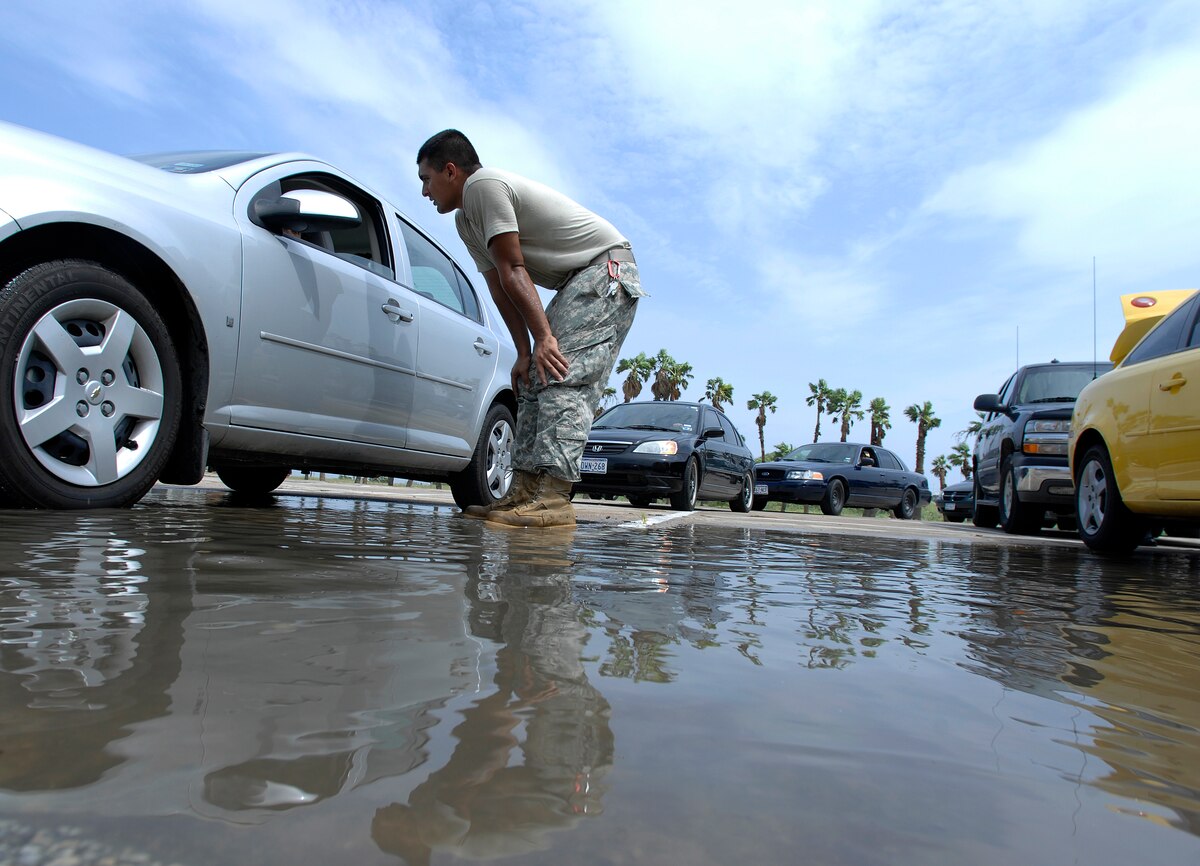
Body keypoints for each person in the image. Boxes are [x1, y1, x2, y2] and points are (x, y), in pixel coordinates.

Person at [417, 129, 645, 528]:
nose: (424, 191)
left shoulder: (483, 187)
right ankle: (523, 491)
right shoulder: (464, 221)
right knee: (533, 378)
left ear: (450, 171)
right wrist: (523, 351)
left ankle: (553, 499)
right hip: (579, 279)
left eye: (426, 179)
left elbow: (514, 268)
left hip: (605, 271)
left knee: (560, 373)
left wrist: (543, 339)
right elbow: (500, 285)